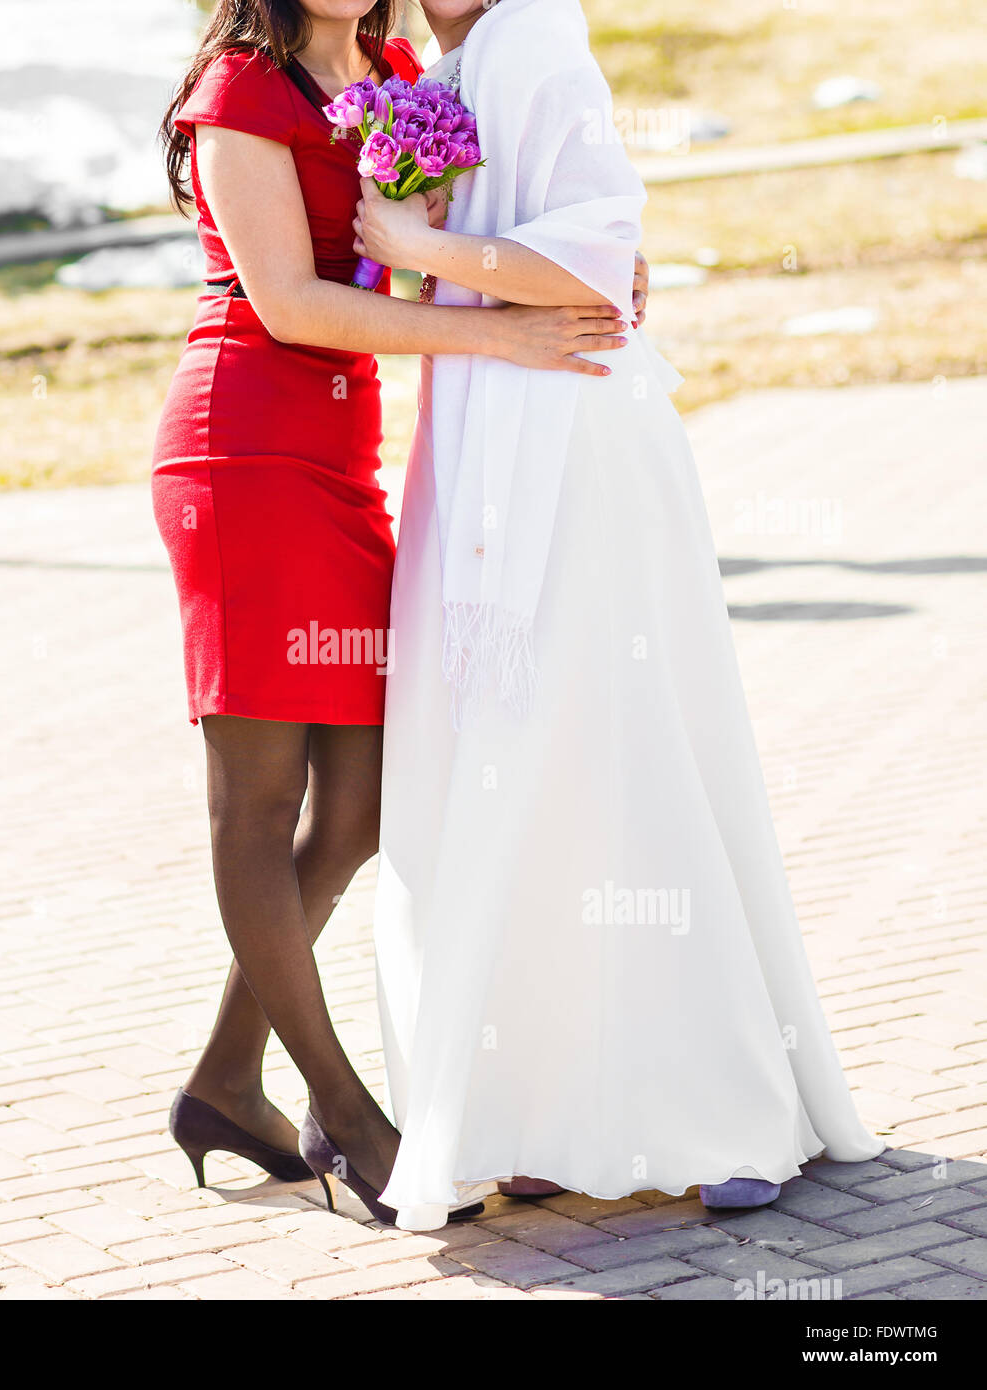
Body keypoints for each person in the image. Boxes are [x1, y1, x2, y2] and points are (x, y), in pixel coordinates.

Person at [359, 0, 885, 1231]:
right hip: (482, 431)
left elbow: (595, 257)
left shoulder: (535, 35)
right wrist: (413, 243)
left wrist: (418, 244)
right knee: (514, 775)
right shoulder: (435, 65)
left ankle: (723, 1108)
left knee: (617, 751)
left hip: (574, 438)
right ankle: (543, 1112)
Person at [153, 0, 640, 1219]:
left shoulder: (400, 69)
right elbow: (292, 307)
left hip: (344, 460)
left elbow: (498, 211)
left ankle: (223, 1078)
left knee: (365, 803)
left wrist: (584, 267)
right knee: (260, 801)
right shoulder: (239, 93)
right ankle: (345, 1112)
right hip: (243, 456)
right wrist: (499, 343)